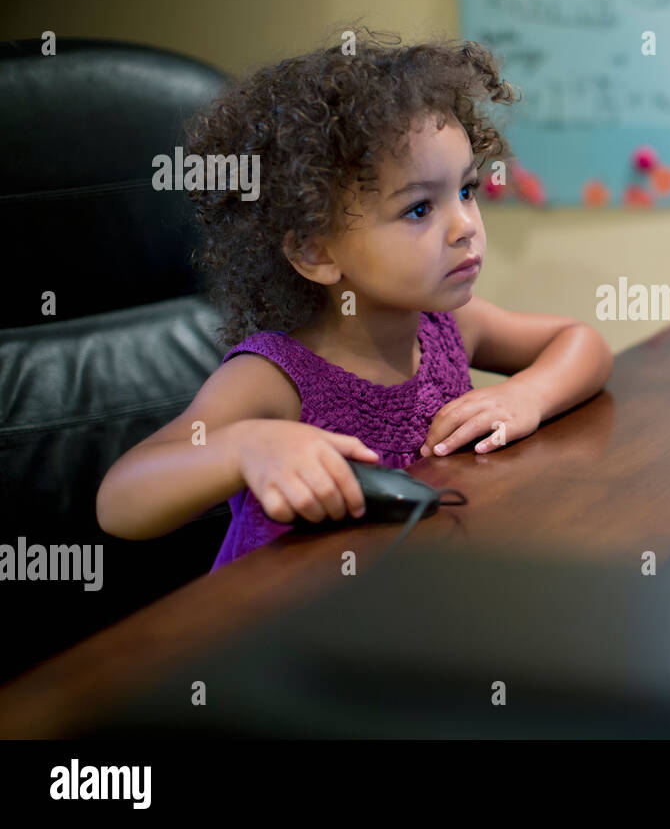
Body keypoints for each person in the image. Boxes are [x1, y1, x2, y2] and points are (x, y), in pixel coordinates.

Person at [95, 34, 614, 570]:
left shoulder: (449, 326)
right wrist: (243, 448)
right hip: (281, 624)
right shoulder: (274, 377)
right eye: (418, 209)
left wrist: (526, 396)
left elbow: (581, 343)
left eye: (465, 190)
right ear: (316, 251)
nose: (465, 227)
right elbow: (120, 501)